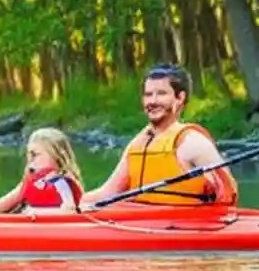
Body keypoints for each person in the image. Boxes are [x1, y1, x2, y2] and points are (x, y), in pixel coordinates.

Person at [80, 63, 237, 209]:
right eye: (148, 95)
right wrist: (74, 204)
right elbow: (108, 192)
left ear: (180, 98)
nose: (152, 101)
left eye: (161, 94)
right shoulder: (138, 144)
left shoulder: (192, 142)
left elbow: (228, 195)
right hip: (138, 226)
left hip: (184, 228)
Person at [0, 127, 84, 215]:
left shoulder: (62, 182)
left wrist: (37, 212)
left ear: (56, 156)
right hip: (17, 220)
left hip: (46, 225)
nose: (30, 160)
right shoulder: (32, 182)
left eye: (35, 155)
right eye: (28, 155)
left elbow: (69, 210)